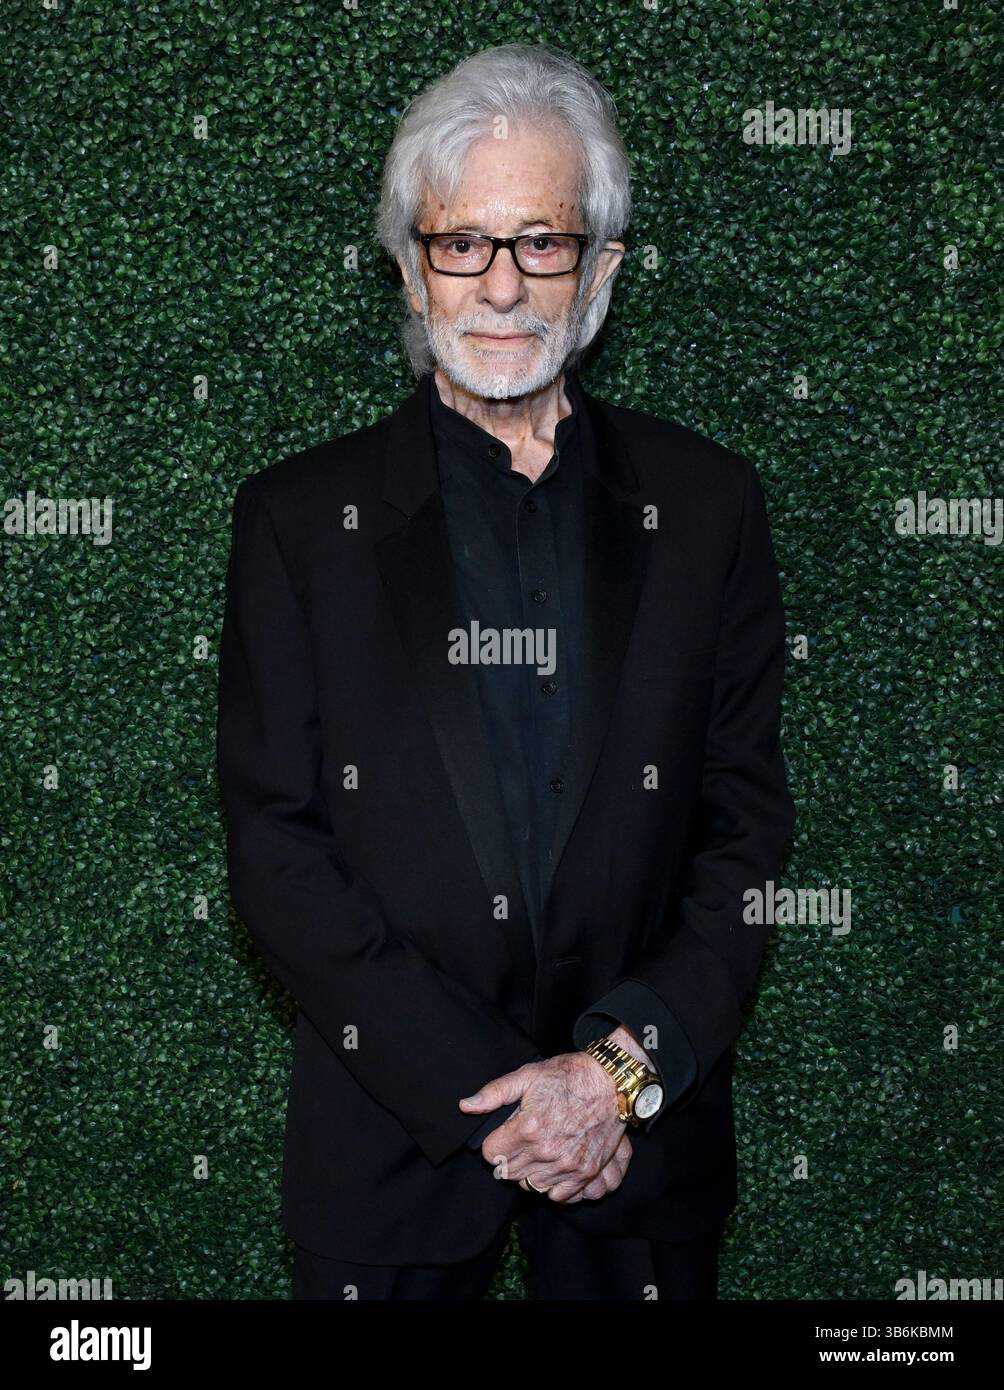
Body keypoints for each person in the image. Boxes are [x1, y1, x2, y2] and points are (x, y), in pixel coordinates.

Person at [216, 41, 795, 1301]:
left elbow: (742, 837)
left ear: (601, 272)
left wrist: (613, 1076)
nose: (499, 287)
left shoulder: (708, 509)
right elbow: (277, 850)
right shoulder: (296, 524)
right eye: (459, 243)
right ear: (410, 269)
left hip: (639, 1154)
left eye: (541, 242)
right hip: (387, 1153)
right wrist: (489, 1099)